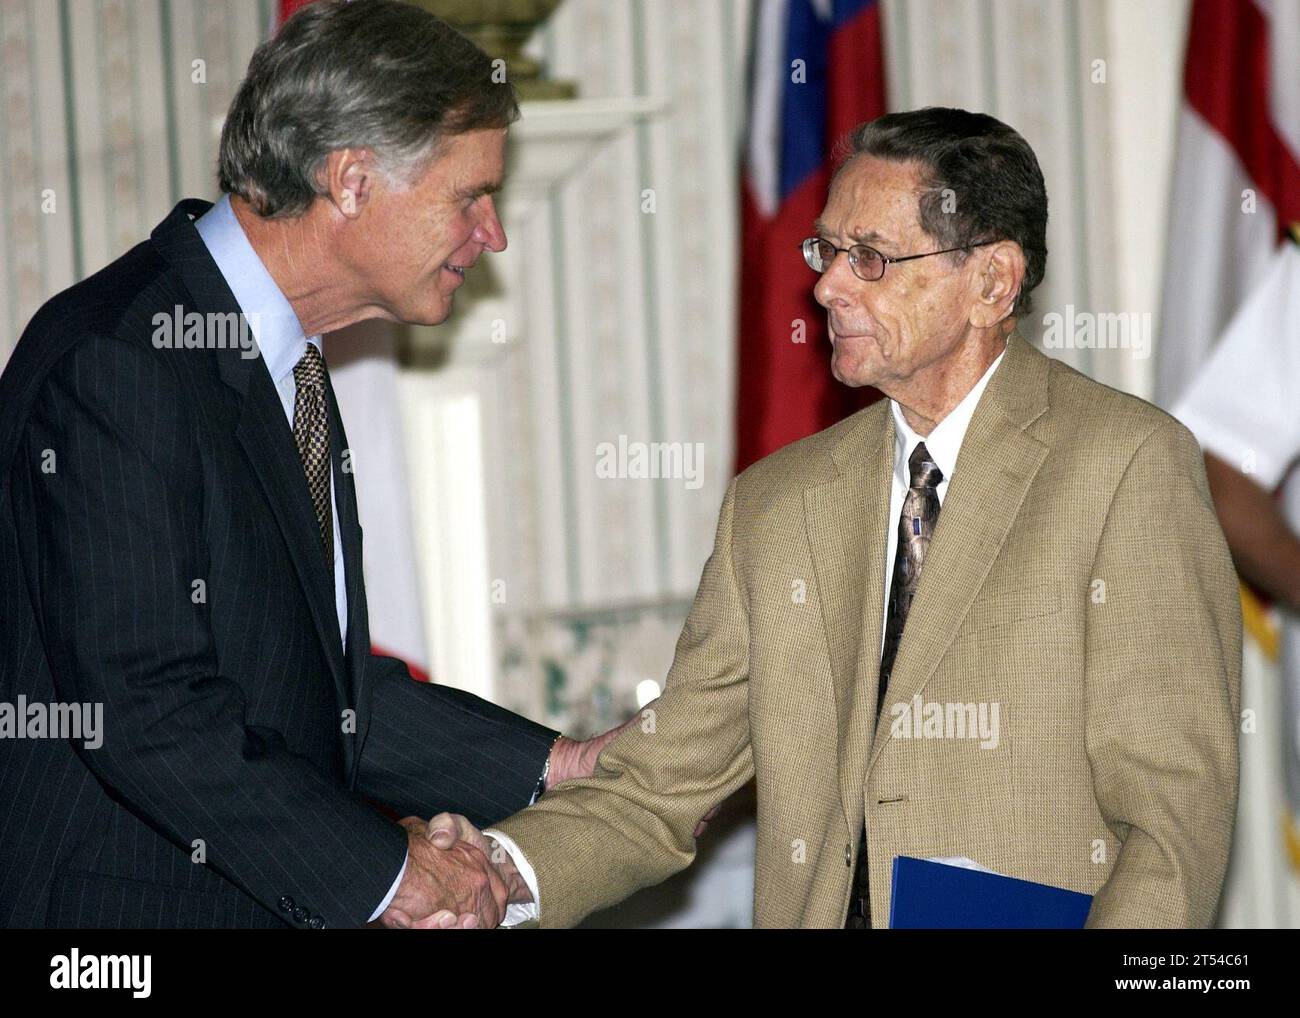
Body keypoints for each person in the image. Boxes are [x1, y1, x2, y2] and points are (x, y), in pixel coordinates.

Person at [425, 107, 1243, 929]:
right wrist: (495, 876)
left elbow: (1172, 828)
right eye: (827, 250)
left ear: (992, 282)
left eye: (871, 259)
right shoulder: (776, 505)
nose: (825, 285)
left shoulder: (1125, 465)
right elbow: (656, 785)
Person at [0, 0, 622, 930]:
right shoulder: (124, 359)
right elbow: (147, 712)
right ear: (353, 180)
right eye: (468, 195)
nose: (491, 234)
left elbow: (315, 685)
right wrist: (392, 874)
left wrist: (555, 766)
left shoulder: (284, 359)